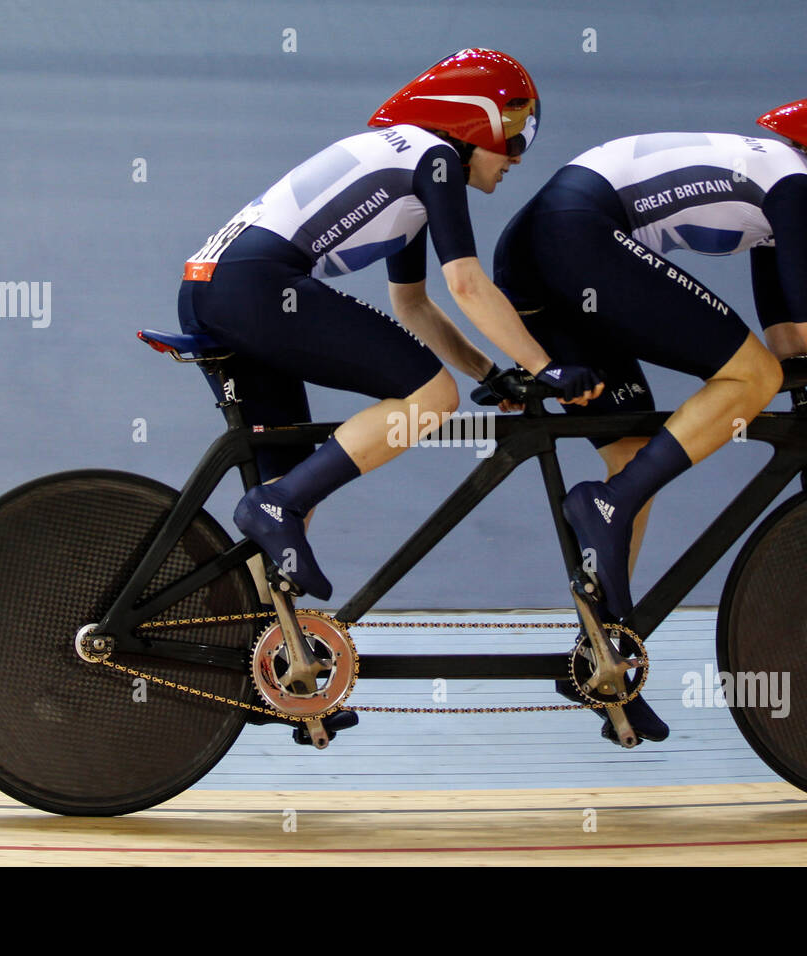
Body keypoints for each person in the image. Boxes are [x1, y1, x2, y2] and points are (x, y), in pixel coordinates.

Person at [492, 87, 807, 744]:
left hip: (536, 248)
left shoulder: (776, 190)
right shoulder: (794, 191)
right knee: (748, 378)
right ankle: (608, 507)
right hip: (576, 233)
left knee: (634, 445)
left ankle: (604, 660)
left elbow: (791, 339)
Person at [176, 50, 599, 737]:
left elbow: (415, 306)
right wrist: (546, 365)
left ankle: (262, 671)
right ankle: (275, 503)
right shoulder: (434, 160)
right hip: (254, 285)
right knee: (429, 398)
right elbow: (467, 284)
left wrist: (493, 373)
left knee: (294, 483)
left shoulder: (407, 162)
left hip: (216, 287)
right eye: (514, 135)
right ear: (471, 125)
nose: (518, 156)